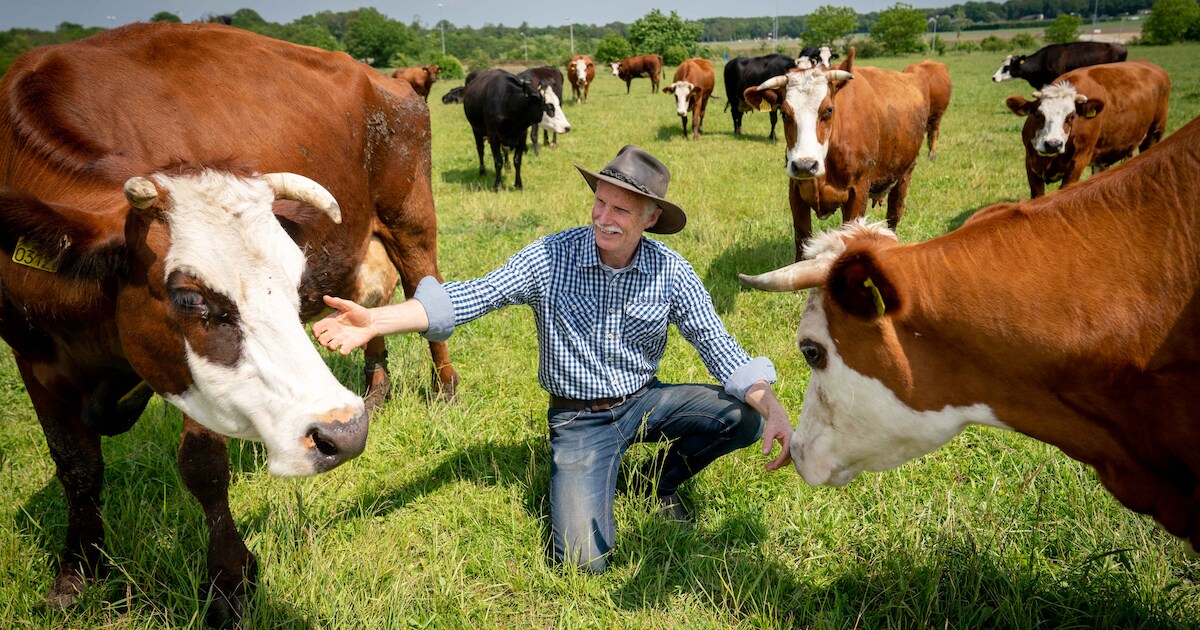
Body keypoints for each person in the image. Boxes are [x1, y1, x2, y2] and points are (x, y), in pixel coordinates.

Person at [313, 145, 793, 573]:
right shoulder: (552, 255)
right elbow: (476, 295)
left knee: (742, 417)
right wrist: (378, 321)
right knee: (585, 562)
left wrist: (772, 406)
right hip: (580, 420)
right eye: (600, 202)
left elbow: (718, 344)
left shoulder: (670, 270)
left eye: (621, 209)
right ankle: (599, 475)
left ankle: (656, 483)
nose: (604, 217)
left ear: (648, 219)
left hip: (644, 400)